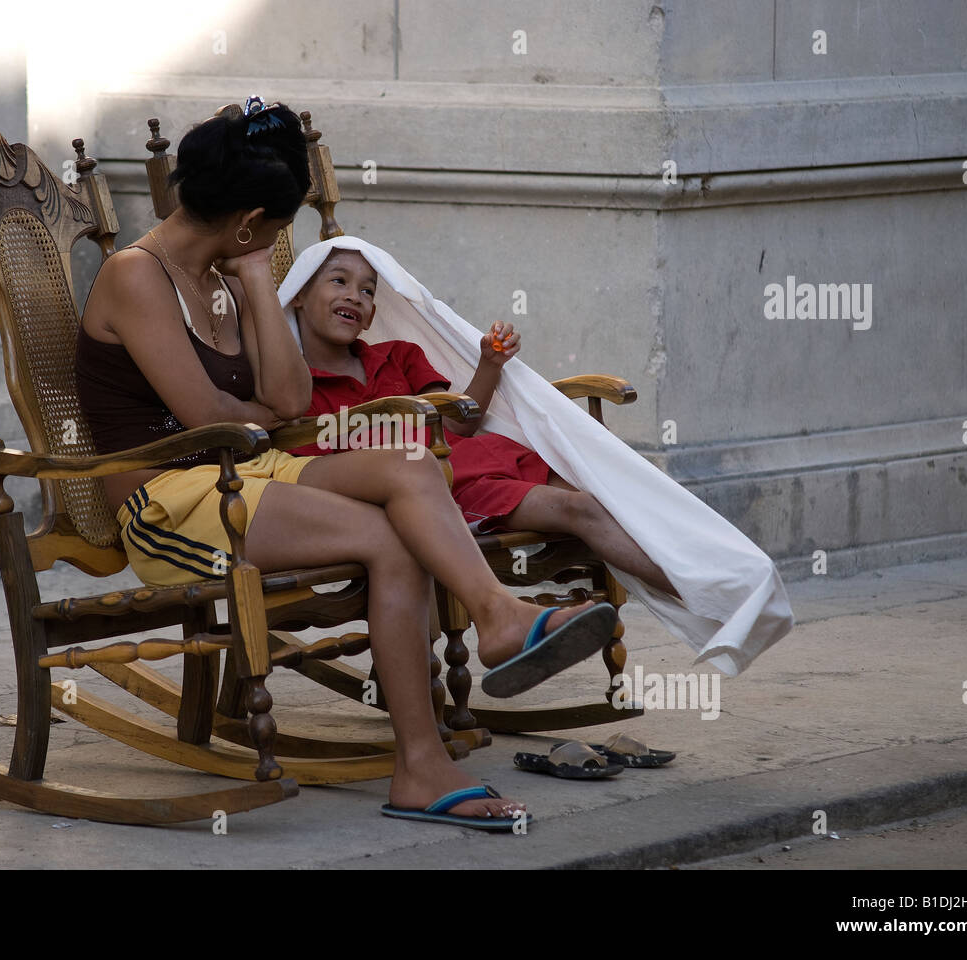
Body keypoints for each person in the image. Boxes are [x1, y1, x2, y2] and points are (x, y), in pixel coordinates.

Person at [74, 98, 618, 829]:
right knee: (389, 537)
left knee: (410, 466)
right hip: (168, 503)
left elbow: (290, 399)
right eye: (277, 231)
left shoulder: (230, 280)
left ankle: (496, 619)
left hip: (247, 476)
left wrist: (258, 279)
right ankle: (424, 760)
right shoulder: (134, 276)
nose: (279, 243)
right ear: (248, 223)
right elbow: (210, 417)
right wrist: (256, 415)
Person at [286, 246, 679, 600]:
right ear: (299, 295)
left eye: (368, 290)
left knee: (613, 491)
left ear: (372, 315)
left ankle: (713, 571)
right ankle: (701, 595)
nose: (355, 295)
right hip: (452, 488)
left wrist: (489, 364)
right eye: (339, 281)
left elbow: (457, 424)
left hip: (494, 453)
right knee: (583, 509)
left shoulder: (398, 356)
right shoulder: (293, 392)